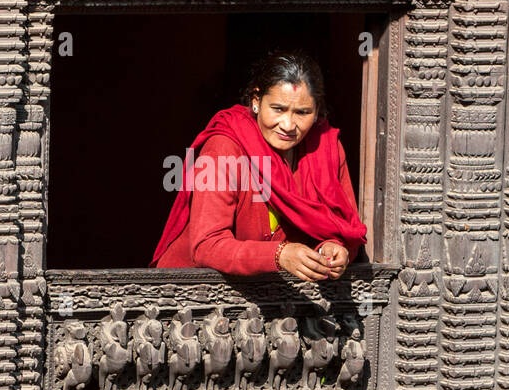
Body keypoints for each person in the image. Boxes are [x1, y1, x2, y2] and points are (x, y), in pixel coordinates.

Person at [151, 49, 367, 281]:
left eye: (302, 112)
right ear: (256, 101)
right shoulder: (225, 147)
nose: (288, 125)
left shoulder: (326, 149)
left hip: (284, 301)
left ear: (316, 112)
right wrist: (279, 255)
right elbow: (208, 244)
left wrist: (332, 249)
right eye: (278, 109)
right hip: (198, 297)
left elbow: (344, 227)